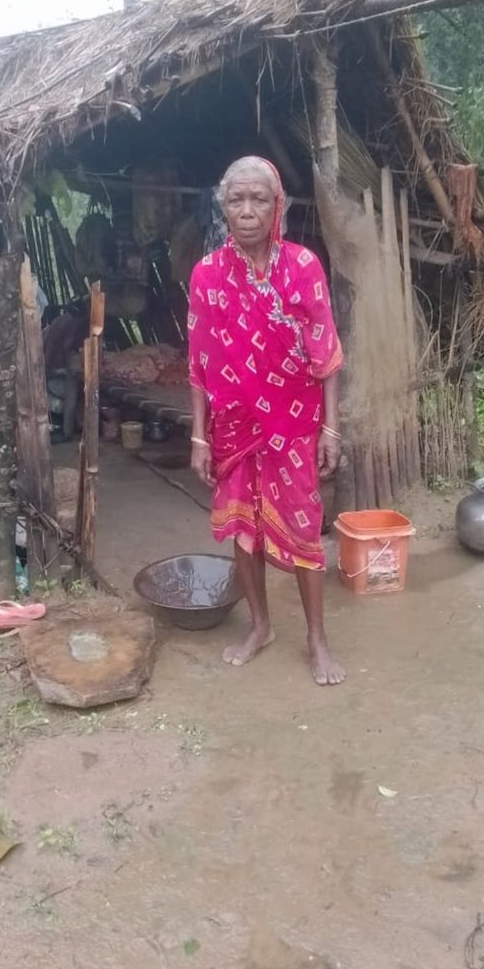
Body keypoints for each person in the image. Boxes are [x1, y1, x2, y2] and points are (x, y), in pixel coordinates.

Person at [188, 156, 345, 685]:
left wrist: (331, 426)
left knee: (302, 527)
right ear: (224, 208)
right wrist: (197, 436)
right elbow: (199, 362)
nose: (248, 211)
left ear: (277, 206)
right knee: (243, 529)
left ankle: (317, 639)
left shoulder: (303, 266)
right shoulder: (207, 274)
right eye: (237, 201)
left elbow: (326, 352)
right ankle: (260, 626)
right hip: (231, 428)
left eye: (259, 200)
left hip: (294, 422)